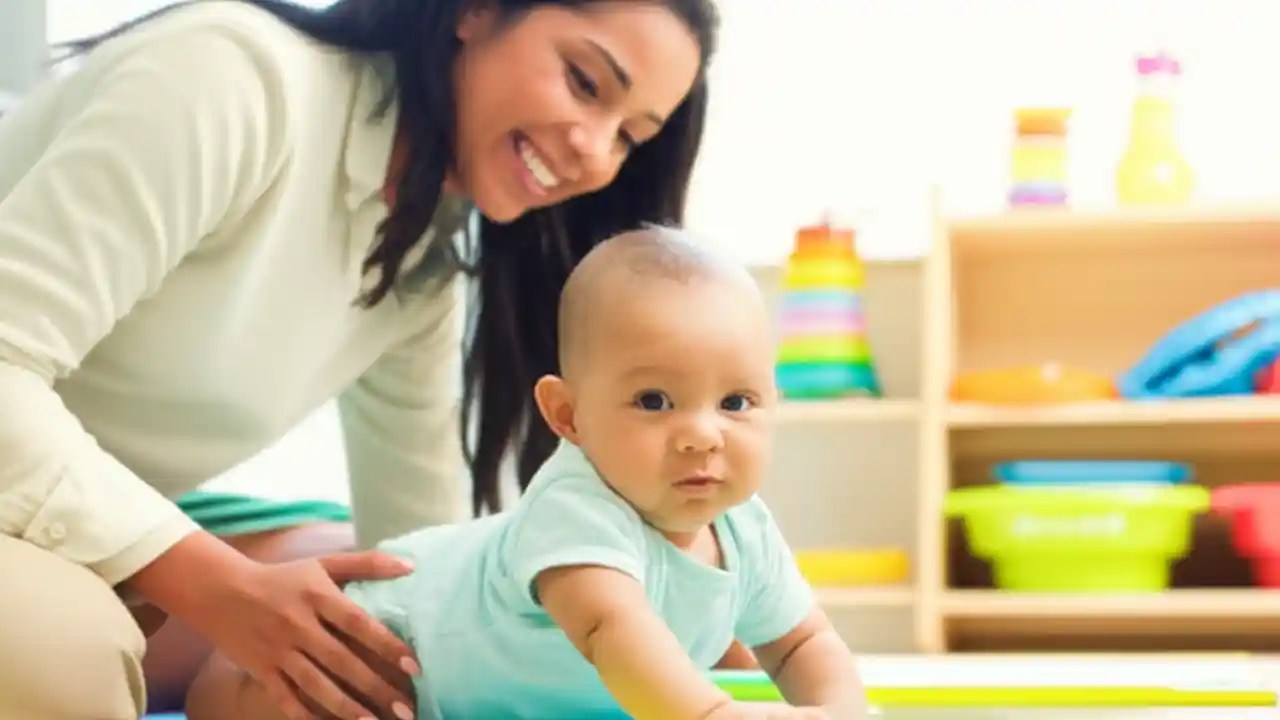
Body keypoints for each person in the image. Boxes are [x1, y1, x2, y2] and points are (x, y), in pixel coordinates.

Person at [0, 1, 728, 718]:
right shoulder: (232, 80)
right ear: (475, 12)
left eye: (630, 136)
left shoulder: (421, 249)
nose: (596, 151)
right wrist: (217, 588)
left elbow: (419, 537)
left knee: (382, 596)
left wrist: (596, 611)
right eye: (585, 82)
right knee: (69, 660)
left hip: (71, 510)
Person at [185, 227, 870, 720]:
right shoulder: (577, 505)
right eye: (654, 402)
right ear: (568, 416)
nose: (701, 434)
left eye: (735, 402)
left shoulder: (744, 529)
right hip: (384, 640)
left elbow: (803, 639)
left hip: (456, 693)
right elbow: (611, 630)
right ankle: (205, 682)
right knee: (264, 701)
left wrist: (840, 709)